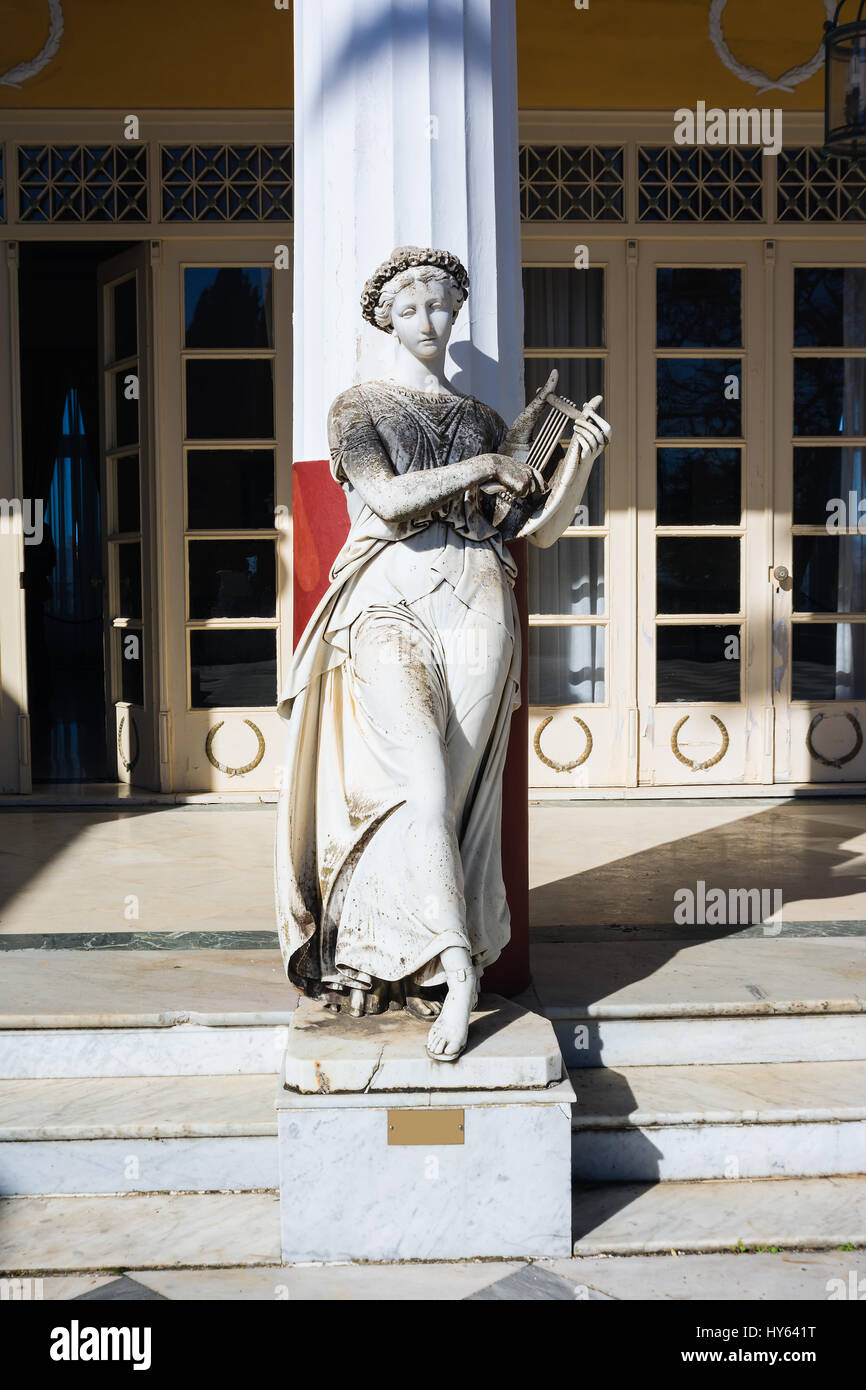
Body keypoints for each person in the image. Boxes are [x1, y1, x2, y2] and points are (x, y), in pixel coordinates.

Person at [275, 246, 609, 1061]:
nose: (430, 320)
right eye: (413, 307)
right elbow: (384, 499)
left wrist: (578, 470)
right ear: (387, 317)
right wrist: (488, 464)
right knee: (419, 789)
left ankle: (409, 961)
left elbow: (531, 529)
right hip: (389, 596)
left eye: (442, 306)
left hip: (481, 596)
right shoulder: (358, 406)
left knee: (454, 800)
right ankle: (458, 973)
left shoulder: (487, 422)